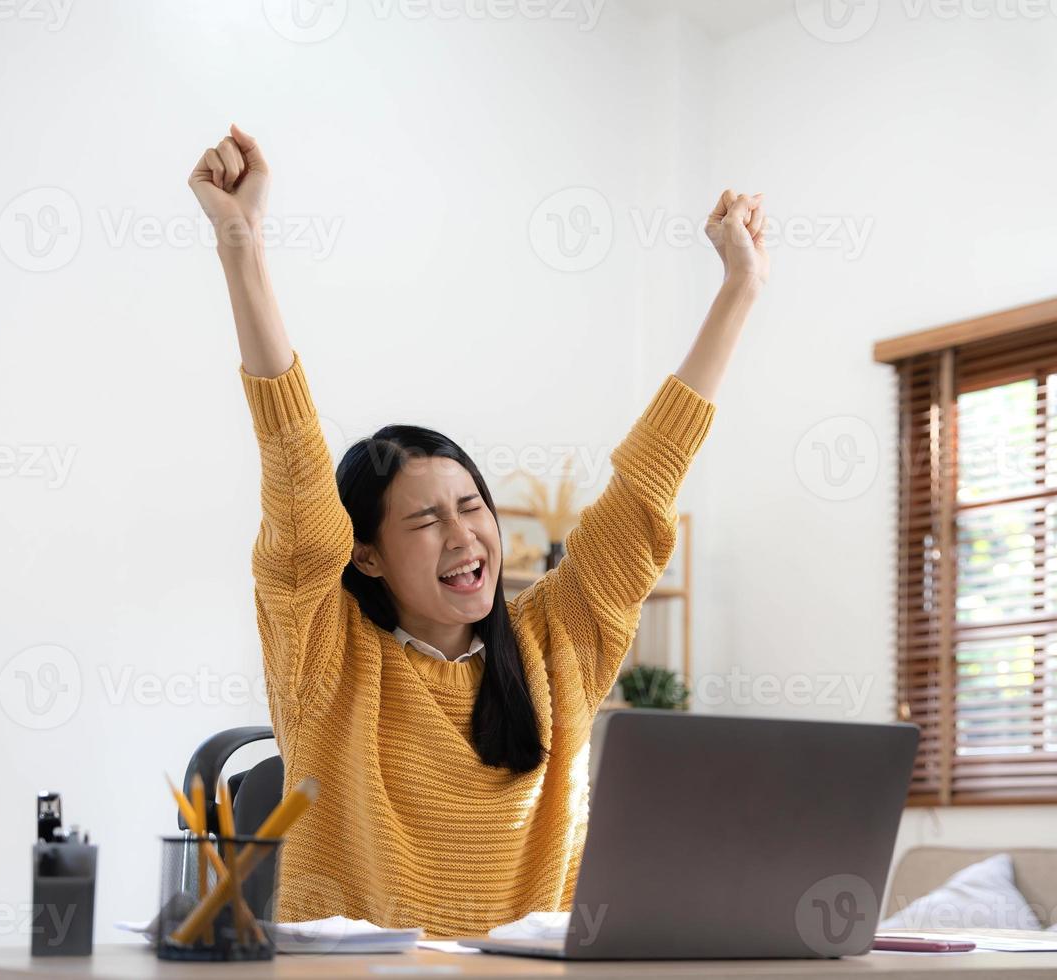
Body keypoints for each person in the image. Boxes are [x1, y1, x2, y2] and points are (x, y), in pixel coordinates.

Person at [187, 124, 768, 936]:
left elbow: (645, 489)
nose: (465, 536)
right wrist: (241, 247)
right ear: (367, 554)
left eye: (472, 508)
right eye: (425, 519)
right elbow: (295, 481)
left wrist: (740, 287)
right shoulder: (324, 654)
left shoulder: (555, 643)